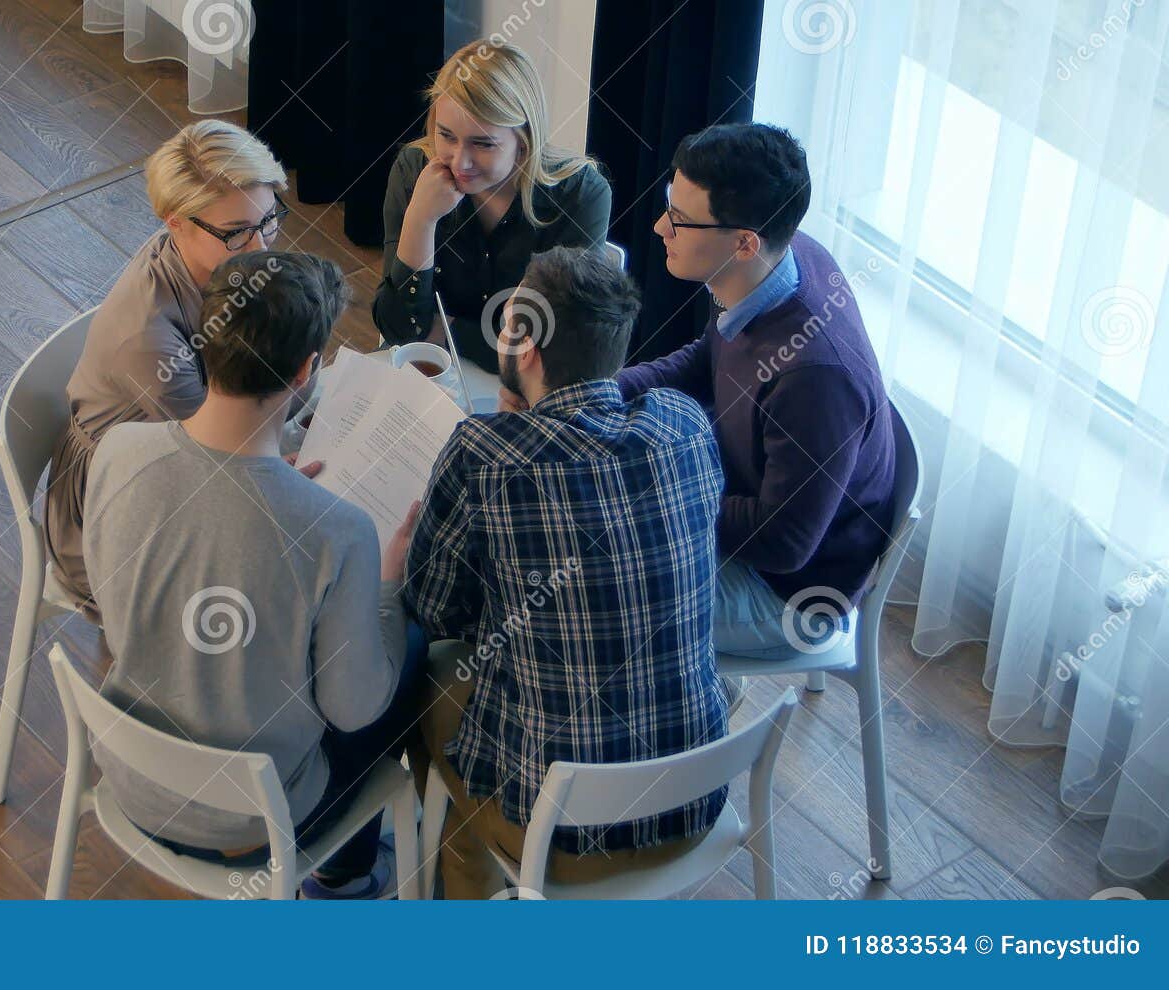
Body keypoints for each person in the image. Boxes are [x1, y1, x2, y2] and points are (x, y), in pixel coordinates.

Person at [82, 251, 425, 900]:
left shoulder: (117, 451)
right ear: (306, 372)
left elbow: (118, 595)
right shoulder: (339, 532)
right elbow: (353, 712)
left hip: (129, 775)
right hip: (249, 823)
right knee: (406, 649)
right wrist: (385, 587)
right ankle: (343, 880)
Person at [400, 245, 729, 899]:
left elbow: (432, 609)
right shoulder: (685, 422)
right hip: (695, 801)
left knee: (418, 678)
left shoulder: (480, 452)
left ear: (524, 346)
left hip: (561, 836)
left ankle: (463, 891)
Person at [615, 123, 895, 660]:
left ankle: (690, 716)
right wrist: (605, 390)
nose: (659, 227)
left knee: (592, 596)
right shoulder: (776, 261)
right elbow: (707, 359)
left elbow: (782, 543)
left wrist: (658, 492)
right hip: (749, 493)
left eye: (680, 219)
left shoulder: (815, 381)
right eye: (667, 205)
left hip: (789, 596)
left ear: (745, 242)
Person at [46, 119, 292, 614]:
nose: (261, 247)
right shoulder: (148, 339)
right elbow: (223, 455)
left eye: (268, 219)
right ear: (174, 222)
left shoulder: (216, 260)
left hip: (182, 449)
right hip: (115, 508)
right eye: (236, 233)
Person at [373, 40, 611, 374]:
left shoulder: (581, 195)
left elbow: (558, 349)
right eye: (446, 135)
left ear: (524, 139)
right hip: (429, 375)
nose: (460, 161)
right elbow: (399, 331)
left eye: (482, 143)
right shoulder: (414, 171)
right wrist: (420, 220)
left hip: (520, 392)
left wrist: (448, 330)